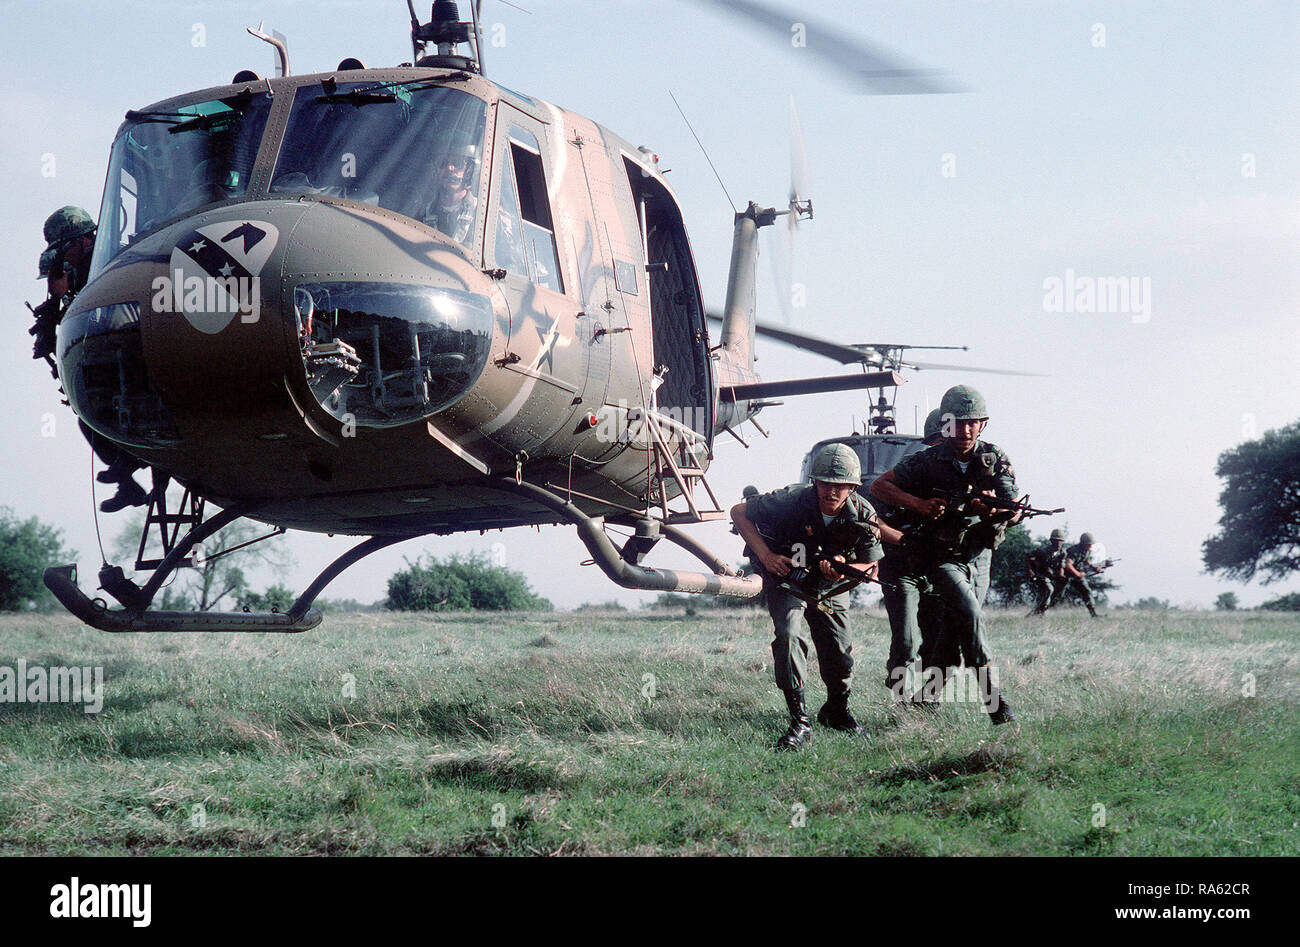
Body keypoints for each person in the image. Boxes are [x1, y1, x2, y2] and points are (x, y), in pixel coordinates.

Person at [869, 384, 1019, 725]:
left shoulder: (994, 458)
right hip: (941, 556)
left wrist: (994, 510)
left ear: (983, 424)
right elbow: (879, 487)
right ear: (944, 424)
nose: (964, 430)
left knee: (955, 632)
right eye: (955, 423)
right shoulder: (923, 462)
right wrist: (920, 505)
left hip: (980, 554)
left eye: (972, 423)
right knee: (963, 617)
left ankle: (927, 700)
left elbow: (1013, 508)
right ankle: (992, 699)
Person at [730, 444, 885, 751]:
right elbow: (738, 512)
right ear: (815, 482)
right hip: (788, 580)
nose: (832, 491)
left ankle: (836, 711)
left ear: (853, 487)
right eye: (826, 483)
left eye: (840, 485)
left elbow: (872, 566)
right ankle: (799, 720)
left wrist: (844, 569)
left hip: (830, 589)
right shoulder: (792, 499)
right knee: (788, 636)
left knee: (840, 651)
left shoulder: (864, 513)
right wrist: (766, 554)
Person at [30, 206, 150, 514]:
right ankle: (129, 486)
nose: (64, 259)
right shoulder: (82, 271)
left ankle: (130, 461)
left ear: (84, 241)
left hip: (136, 351)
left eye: (65, 250)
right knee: (89, 421)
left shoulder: (111, 262)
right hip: (110, 357)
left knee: (106, 413)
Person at [875, 408, 945, 703]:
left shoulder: (971, 475)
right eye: (938, 443)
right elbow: (871, 517)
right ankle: (900, 698)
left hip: (941, 568)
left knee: (939, 639)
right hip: (901, 566)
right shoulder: (909, 471)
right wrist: (903, 536)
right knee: (906, 641)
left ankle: (931, 700)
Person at [423, 138, 479, 244]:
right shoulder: (423, 212)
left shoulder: (481, 213)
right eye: (442, 164)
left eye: (457, 163)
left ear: (469, 171)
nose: (449, 168)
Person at [1055, 532, 1102, 617]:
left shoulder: (1087, 551)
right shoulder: (1074, 551)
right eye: (1089, 544)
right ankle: (1039, 611)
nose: (1090, 546)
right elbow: (1068, 564)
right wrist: (1078, 574)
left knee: (1086, 591)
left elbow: (1086, 561)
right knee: (1056, 594)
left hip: (1077, 575)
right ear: (1083, 544)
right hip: (1066, 575)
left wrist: (1094, 567)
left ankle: (1093, 614)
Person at [1026, 527, 1070, 616]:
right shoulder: (1042, 551)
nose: (1058, 543)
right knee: (1049, 589)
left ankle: (1037, 613)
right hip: (1039, 574)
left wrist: (1061, 575)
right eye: (1056, 541)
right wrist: (1030, 570)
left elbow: (1062, 565)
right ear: (1051, 541)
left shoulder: (1062, 553)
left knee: (1052, 594)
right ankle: (1038, 613)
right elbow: (1028, 556)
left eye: (1060, 541)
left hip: (1050, 575)